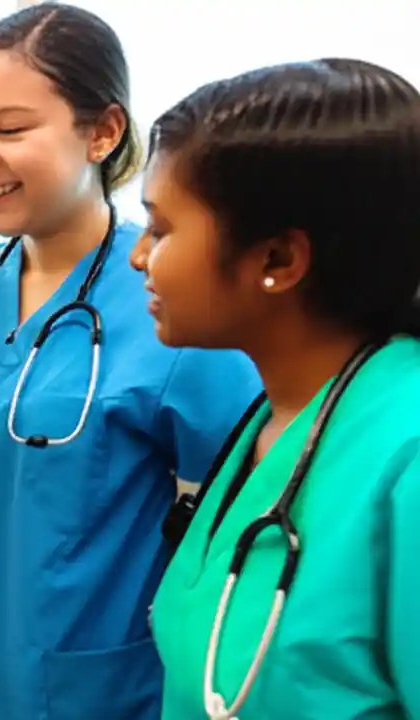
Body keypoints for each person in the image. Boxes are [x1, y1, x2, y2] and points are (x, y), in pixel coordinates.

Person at [0, 4, 262, 718]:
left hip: (104, 695)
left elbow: (234, 539)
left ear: (103, 131)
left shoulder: (171, 300)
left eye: (11, 129)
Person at [133, 58, 420, 719]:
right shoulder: (271, 423)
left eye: (162, 228)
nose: (139, 256)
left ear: (278, 260)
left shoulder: (403, 447)